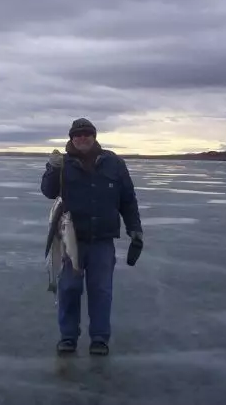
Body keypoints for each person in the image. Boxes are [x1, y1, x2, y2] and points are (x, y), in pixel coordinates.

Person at [40, 118, 143, 356]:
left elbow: (128, 199)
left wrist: (134, 228)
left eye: (87, 134)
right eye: (77, 135)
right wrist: (52, 169)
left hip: (102, 241)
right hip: (69, 239)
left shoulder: (114, 163)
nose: (82, 138)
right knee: (68, 289)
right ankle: (68, 337)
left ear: (94, 136)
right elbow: (48, 192)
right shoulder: (63, 164)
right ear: (71, 138)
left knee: (101, 290)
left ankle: (99, 338)